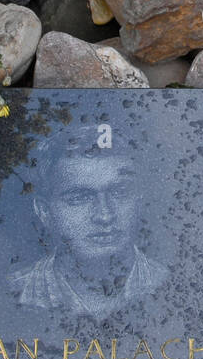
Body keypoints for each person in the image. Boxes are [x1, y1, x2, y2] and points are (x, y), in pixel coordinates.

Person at [11, 134, 167, 319]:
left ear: (139, 201)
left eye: (120, 192)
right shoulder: (10, 293)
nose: (104, 215)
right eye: (79, 198)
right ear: (44, 211)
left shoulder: (172, 285)